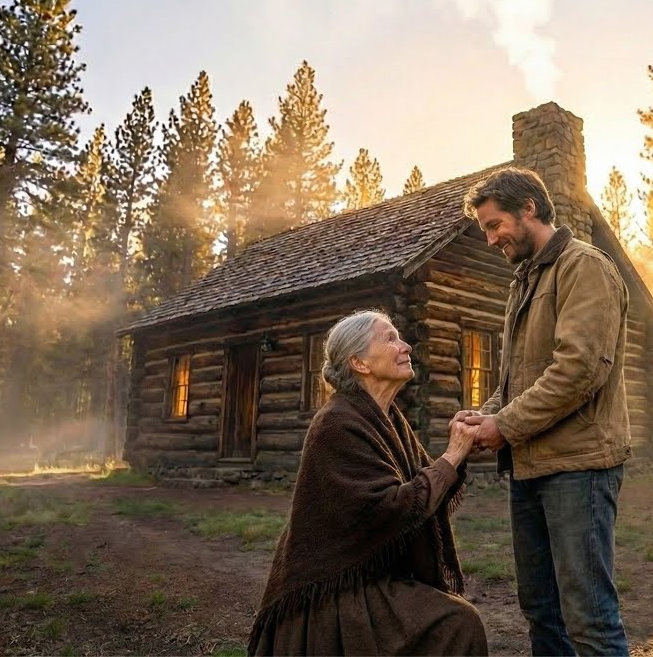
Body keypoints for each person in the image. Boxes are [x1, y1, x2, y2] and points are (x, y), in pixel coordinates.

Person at [457, 167, 631, 656]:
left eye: (494, 226)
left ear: (528, 208)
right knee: (540, 610)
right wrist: (483, 417)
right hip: (530, 467)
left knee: (590, 617)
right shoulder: (524, 282)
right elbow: (518, 378)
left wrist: (504, 425)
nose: (491, 239)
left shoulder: (585, 267)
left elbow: (579, 369)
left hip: (579, 468)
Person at [249, 310, 488, 656]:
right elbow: (390, 511)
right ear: (359, 362)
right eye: (390, 338)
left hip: (370, 570)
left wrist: (460, 449)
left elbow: (424, 493)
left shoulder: (389, 418)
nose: (406, 346)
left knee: (455, 620)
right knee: (458, 623)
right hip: (337, 586)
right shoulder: (336, 424)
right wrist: (450, 458)